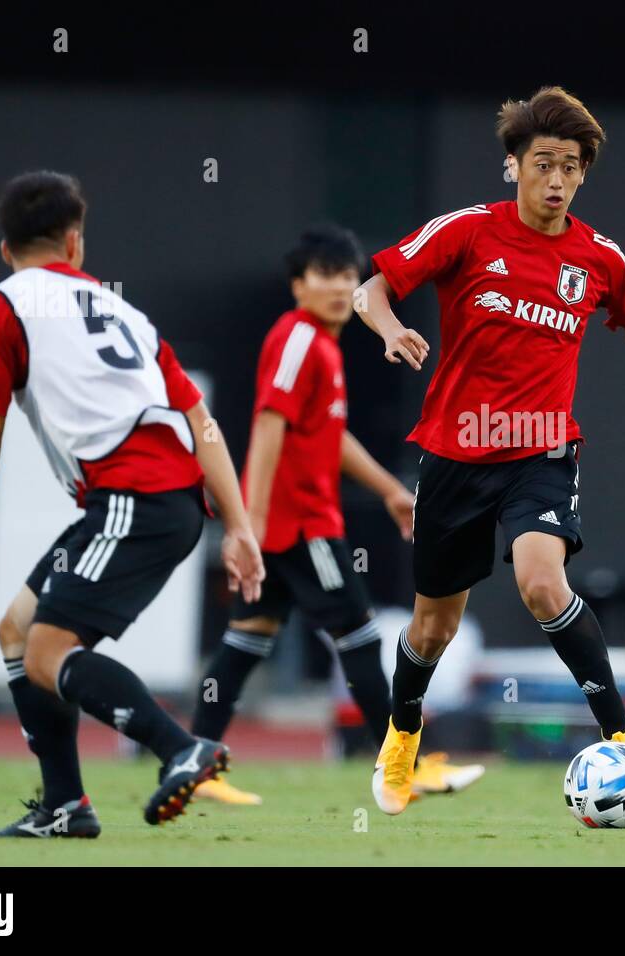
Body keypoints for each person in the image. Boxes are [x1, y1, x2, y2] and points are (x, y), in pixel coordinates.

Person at [353, 87, 625, 815]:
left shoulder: (599, 257)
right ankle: (402, 739)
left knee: (542, 583)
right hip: (455, 449)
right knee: (432, 625)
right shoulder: (470, 231)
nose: (558, 179)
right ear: (514, 166)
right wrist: (386, 328)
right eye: (544, 163)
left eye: (571, 166)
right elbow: (372, 287)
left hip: (541, 449)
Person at [0, 171, 264, 836]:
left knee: (47, 651)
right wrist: (240, 526)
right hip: (157, 498)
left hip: (136, 498)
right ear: (75, 244)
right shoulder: (123, 312)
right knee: (17, 634)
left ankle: (179, 747)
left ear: (4, 250)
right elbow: (202, 421)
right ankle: (66, 806)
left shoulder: (2, 308)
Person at [189, 225, 483, 804]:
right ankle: (403, 766)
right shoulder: (300, 340)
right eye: (324, 275)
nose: (338, 286)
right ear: (298, 284)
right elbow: (269, 429)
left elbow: (331, 436)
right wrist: (248, 526)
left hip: (283, 525)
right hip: (299, 527)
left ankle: (193, 765)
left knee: (246, 639)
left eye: (349, 276)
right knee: (361, 638)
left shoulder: (319, 345)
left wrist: (388, 492)